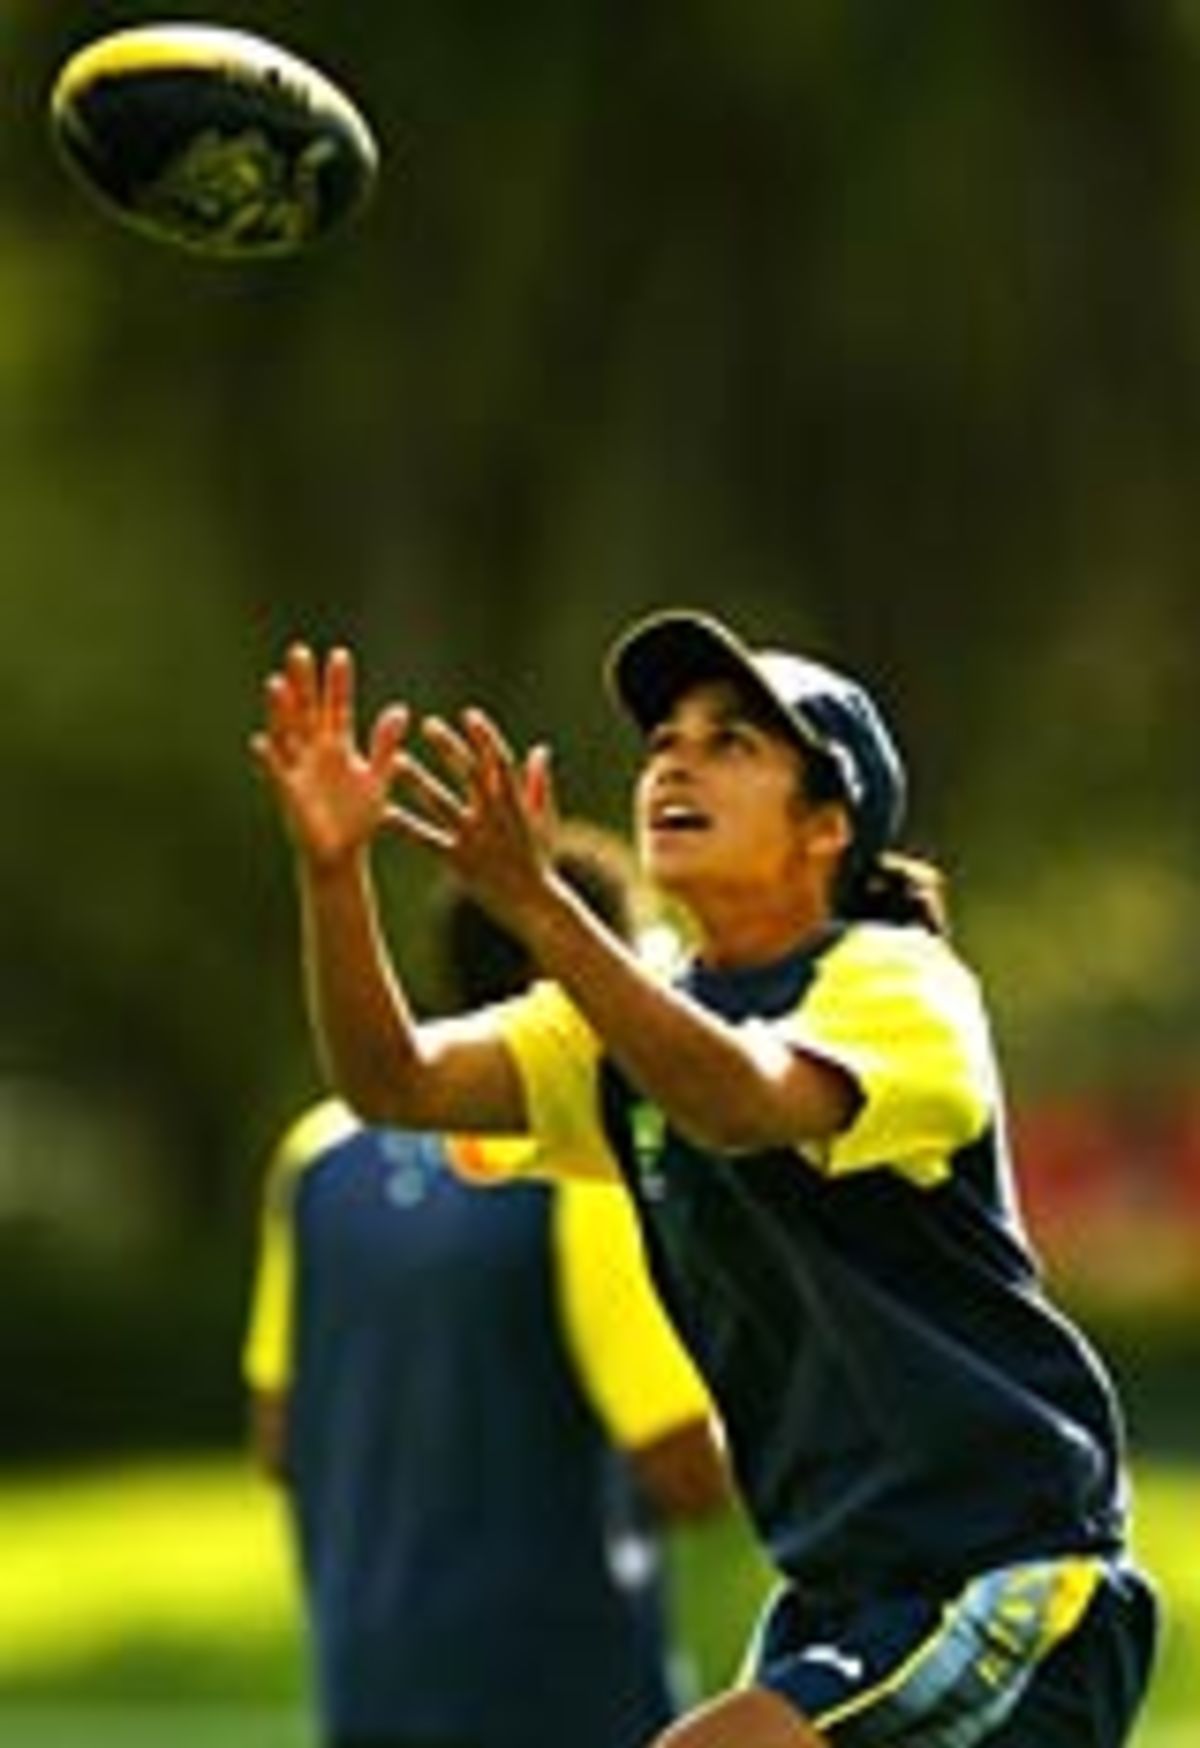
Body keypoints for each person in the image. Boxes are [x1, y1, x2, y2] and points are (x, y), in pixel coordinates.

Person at [252, 608, 1158, 1748]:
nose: (676, 757)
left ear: (829, 824)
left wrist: (541, 908)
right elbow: (394, 1082)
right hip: (837, 1594)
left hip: (1004, 1566)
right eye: (663, 739)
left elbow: (738, 1103)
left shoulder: (899, 983)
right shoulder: (623, 1021)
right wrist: (332, 873)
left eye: (733, 740)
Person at [241, 827, 731, 1748]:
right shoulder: (584, 1170)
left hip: (367, 1675)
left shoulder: (317, 1154)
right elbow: (685, 1468)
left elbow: (278, 1437)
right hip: (563, 1691)